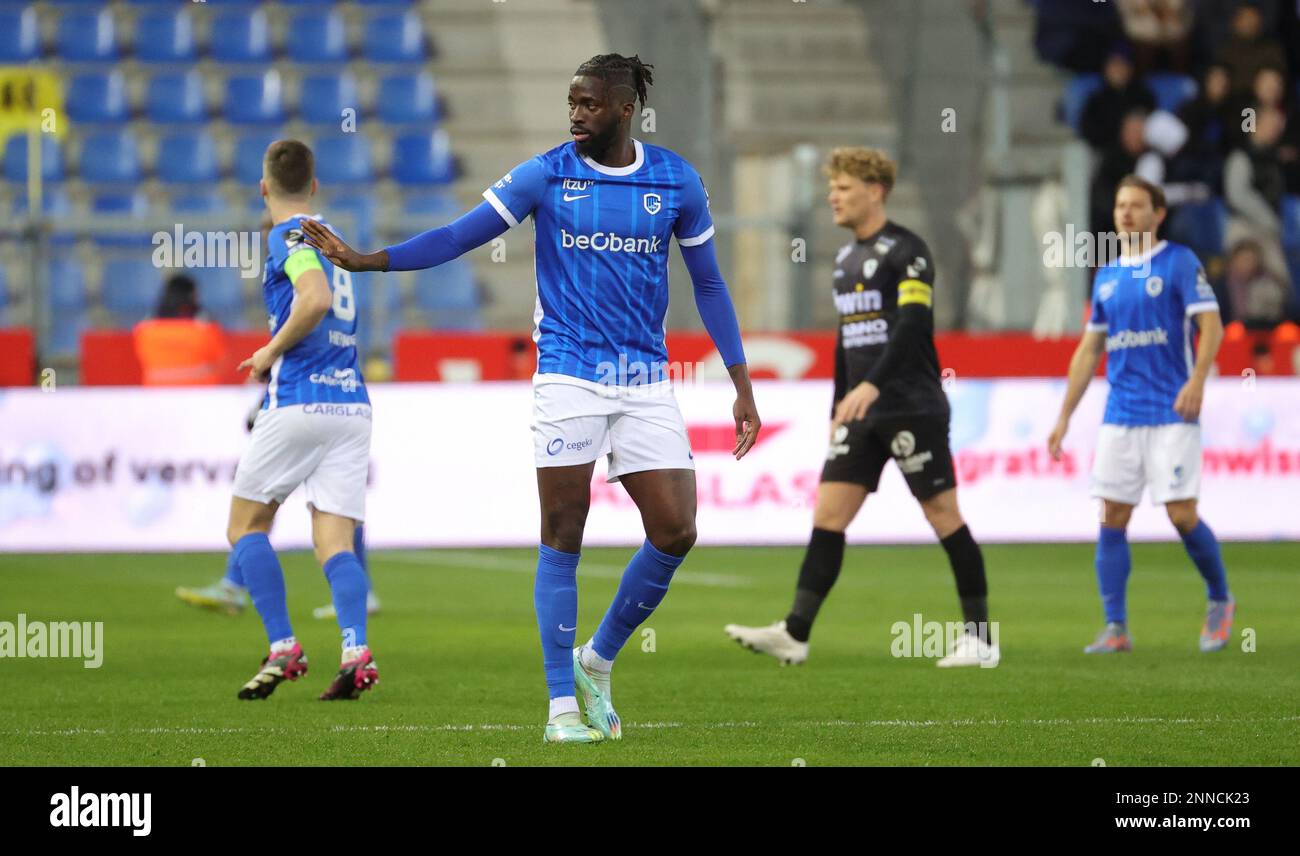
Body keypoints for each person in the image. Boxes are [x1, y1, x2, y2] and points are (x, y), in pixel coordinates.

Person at [299, 54, 760, 743]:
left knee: (676, 531)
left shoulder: (675, 180)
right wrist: (371, 260)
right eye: (571, 101)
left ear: (626, 109)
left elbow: (711, 286)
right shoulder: (547, 173)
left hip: (644, 380)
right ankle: (560, 712)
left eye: (590, 104)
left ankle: (596, 660)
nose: (575, 114)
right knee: (563, 535)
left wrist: (741, 380)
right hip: (569, 374)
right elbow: (460, 235)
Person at [723, 147, 997, 669]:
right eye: (832, 189)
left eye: (843, 188)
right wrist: (838, 405)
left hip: (911, 406)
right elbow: (849, 341)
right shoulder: (846, 260)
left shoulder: (908, 251)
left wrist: (872, 385)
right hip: (860, 410)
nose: (833, 197)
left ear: (876, 191)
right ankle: (795, 632)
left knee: (943, 514)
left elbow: (913, 324)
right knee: (829, 513)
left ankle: (981, 639)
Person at [1048, 175, 1234, 654]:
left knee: (1181, 514)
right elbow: (1090, 350)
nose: (1126, 213)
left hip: (1172, 408)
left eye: (1136, 205)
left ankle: (1219, 599)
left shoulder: (1178, 262)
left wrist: (1197, 382)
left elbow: (1211, 324)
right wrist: (1065, 415)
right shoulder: (1107, 276)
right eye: (1120, 205)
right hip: (1120, 413)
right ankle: (1116, 627)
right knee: (1112, 514)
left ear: (1158, 214)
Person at [225, 139, 378, 701]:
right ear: (313, 187)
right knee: (335, 542)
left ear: (264, 188)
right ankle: (355, 650)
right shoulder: (330, 236)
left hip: (298, 400)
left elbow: (311, 299)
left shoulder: (285, 235)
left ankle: (284, 646)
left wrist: (268, 352)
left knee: (246, 527)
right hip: (351, 405)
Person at [132, 274, 226, 386]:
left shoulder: (145, 329)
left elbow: (142, 356)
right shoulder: (205, 328)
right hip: (200, 390)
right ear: (193, 296)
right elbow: (220, 359)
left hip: (157, 390)